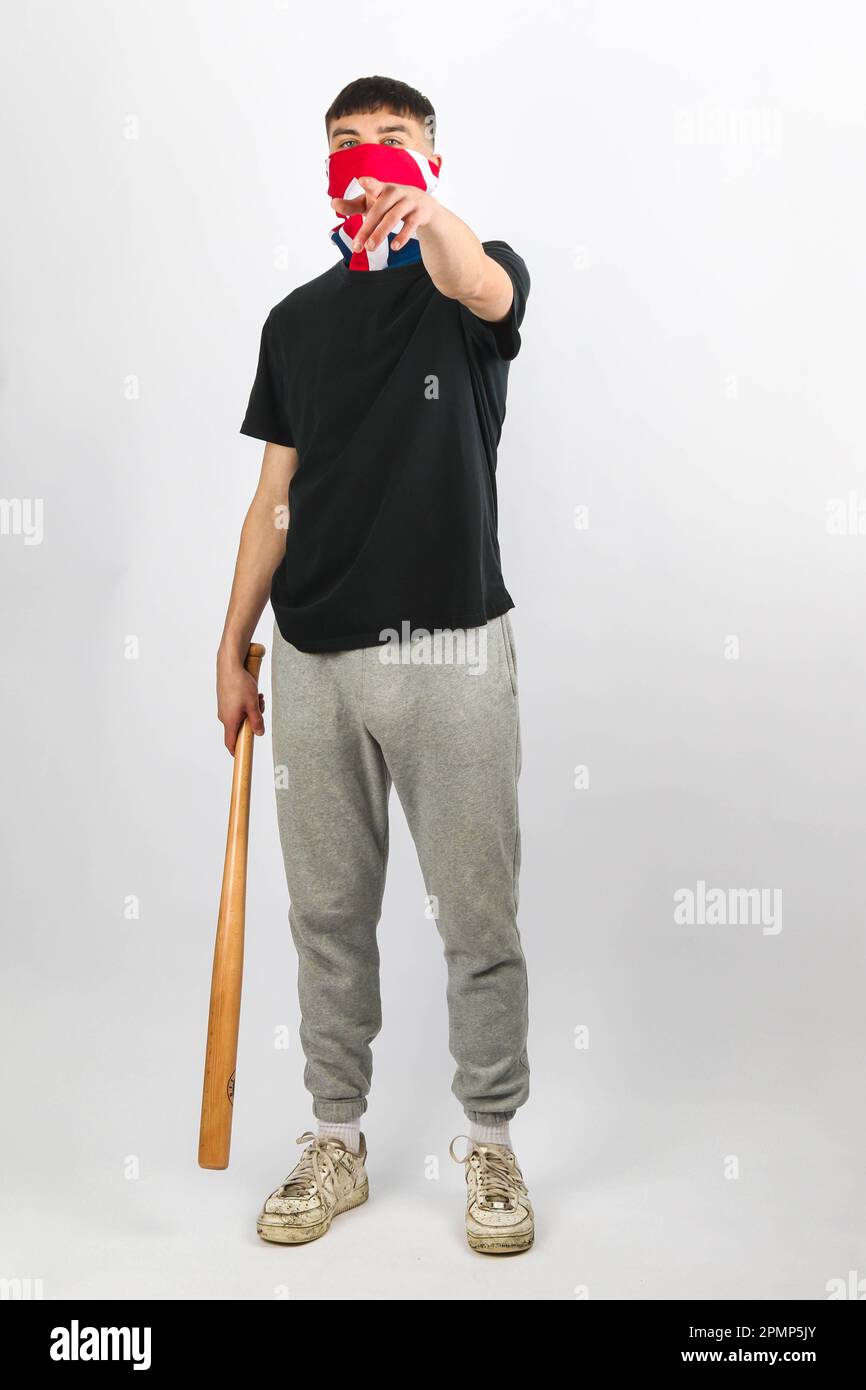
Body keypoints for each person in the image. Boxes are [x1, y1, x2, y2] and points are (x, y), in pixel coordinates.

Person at [217, 75, 533, 1255]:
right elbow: (269, 504)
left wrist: (425, 216)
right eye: (345, 146)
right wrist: (228, 644)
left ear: (432, 157)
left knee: (475, 914)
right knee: (328, 914)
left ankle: (490, 1142)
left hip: (451, 647)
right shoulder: (295, 321)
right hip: (311, 660)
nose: (365, 161)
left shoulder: (470, 280)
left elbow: (477, 278)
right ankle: (334, 1138)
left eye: (392, 144)